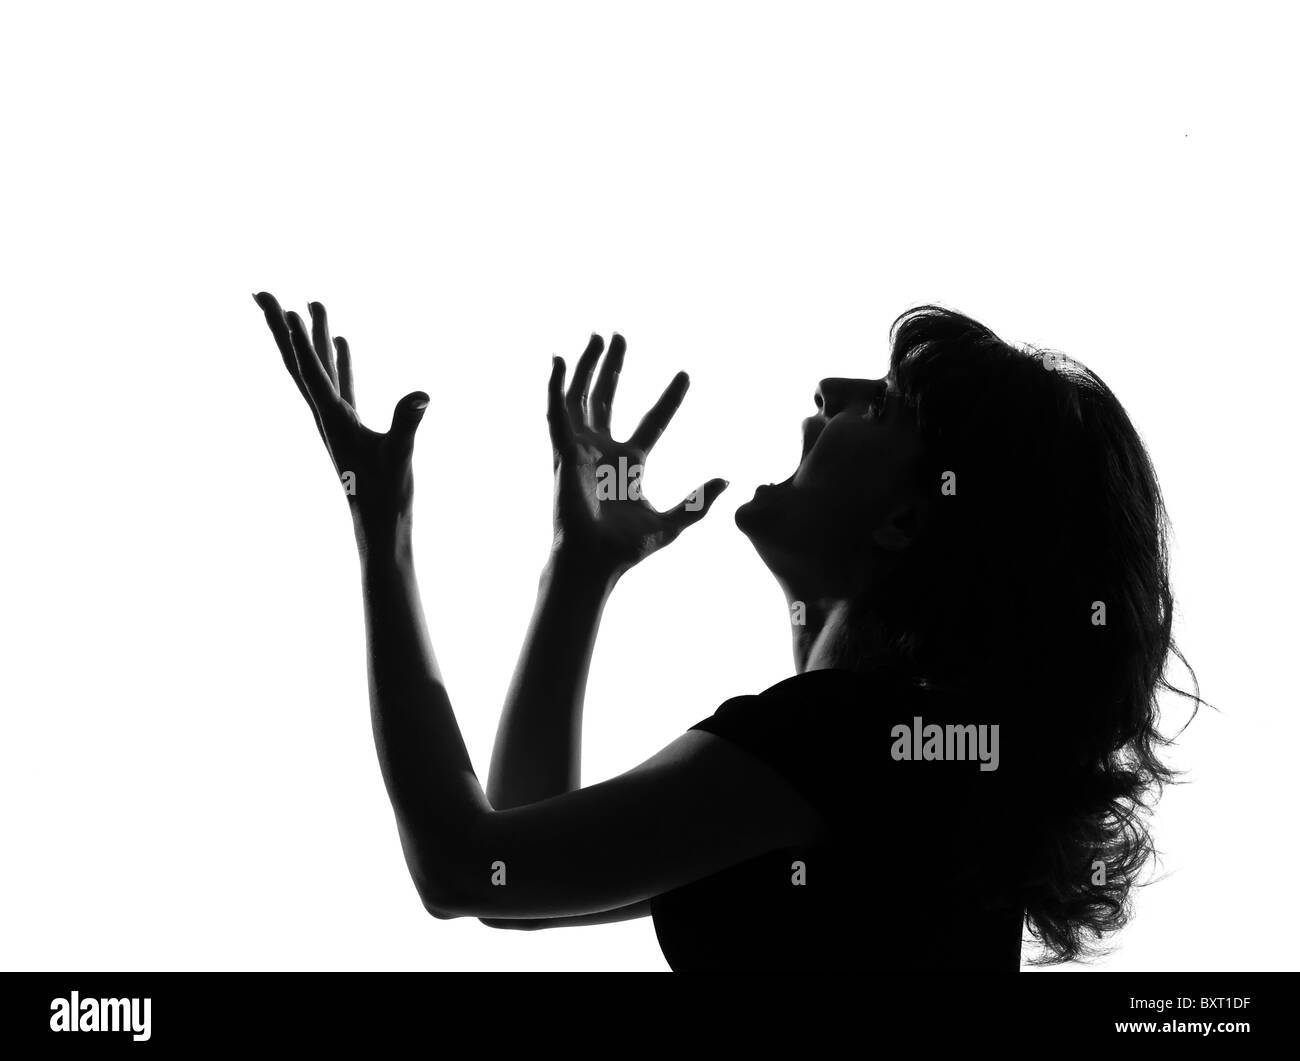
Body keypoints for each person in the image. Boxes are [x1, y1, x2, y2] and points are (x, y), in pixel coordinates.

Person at [252, 294, 1199, 971]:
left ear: (909, 520)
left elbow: (464, 864)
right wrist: (579, 572)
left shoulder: (848, 744)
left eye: (887, 400)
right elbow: (512, 877)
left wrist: (383, 527)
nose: (831, 386)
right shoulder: (877, 761)